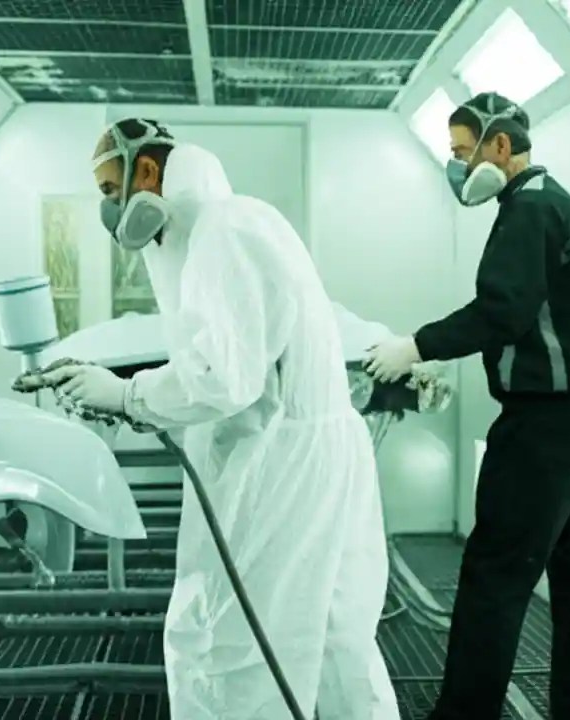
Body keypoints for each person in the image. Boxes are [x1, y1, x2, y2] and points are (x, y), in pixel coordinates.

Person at [58, 118, 400, 719]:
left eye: (111, 189)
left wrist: (128, 395)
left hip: (279, 467)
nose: (109, 208)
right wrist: (139, 400)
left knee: (230, 642)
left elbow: (223, 376)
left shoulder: (222, 231)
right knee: (334, 638)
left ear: (147, 170)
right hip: (314, 453)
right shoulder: (236, 222)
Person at [365, 92, 570, 719]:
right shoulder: (561, 205)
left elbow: (500, 311)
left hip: (542, 426)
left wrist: (415, 347)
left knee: (494, 575)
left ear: (500, 145)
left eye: (461, 151)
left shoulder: (528, 210)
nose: (457, 166)